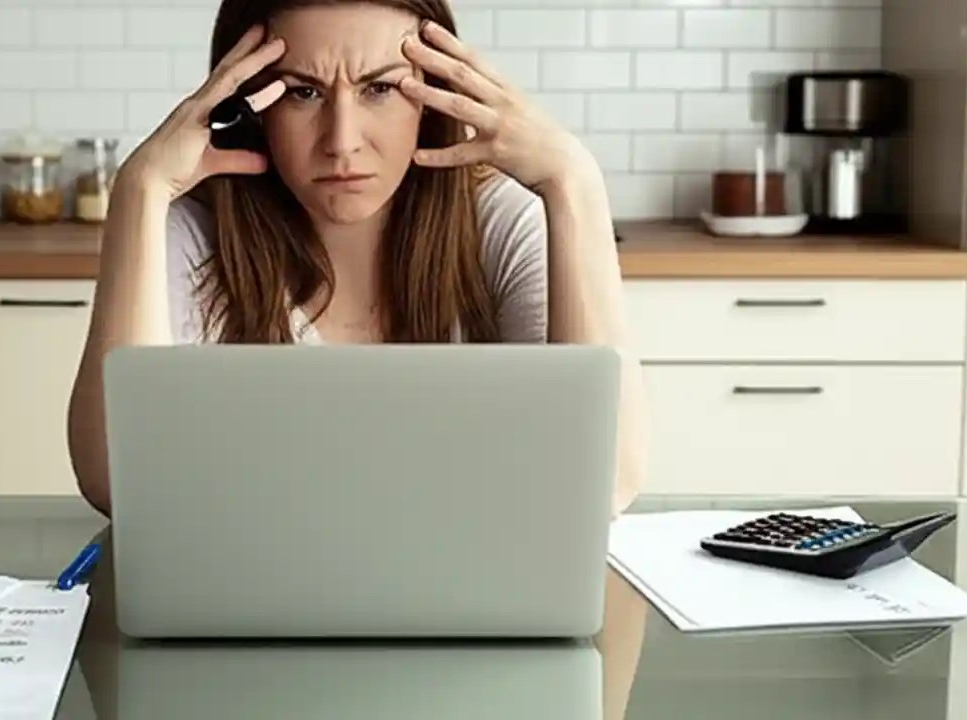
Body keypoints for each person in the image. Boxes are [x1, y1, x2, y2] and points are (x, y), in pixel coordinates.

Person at [67, 0, 649, 713]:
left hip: (486, 666)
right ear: (250, 104)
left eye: (380, 88)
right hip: (236, 666)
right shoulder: (194, 234)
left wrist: (575, 183)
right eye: (304, 92)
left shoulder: (499, 220)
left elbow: (610, 484)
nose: (342, 141)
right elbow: (111, 482)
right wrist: (140, 191)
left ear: (437, 94)